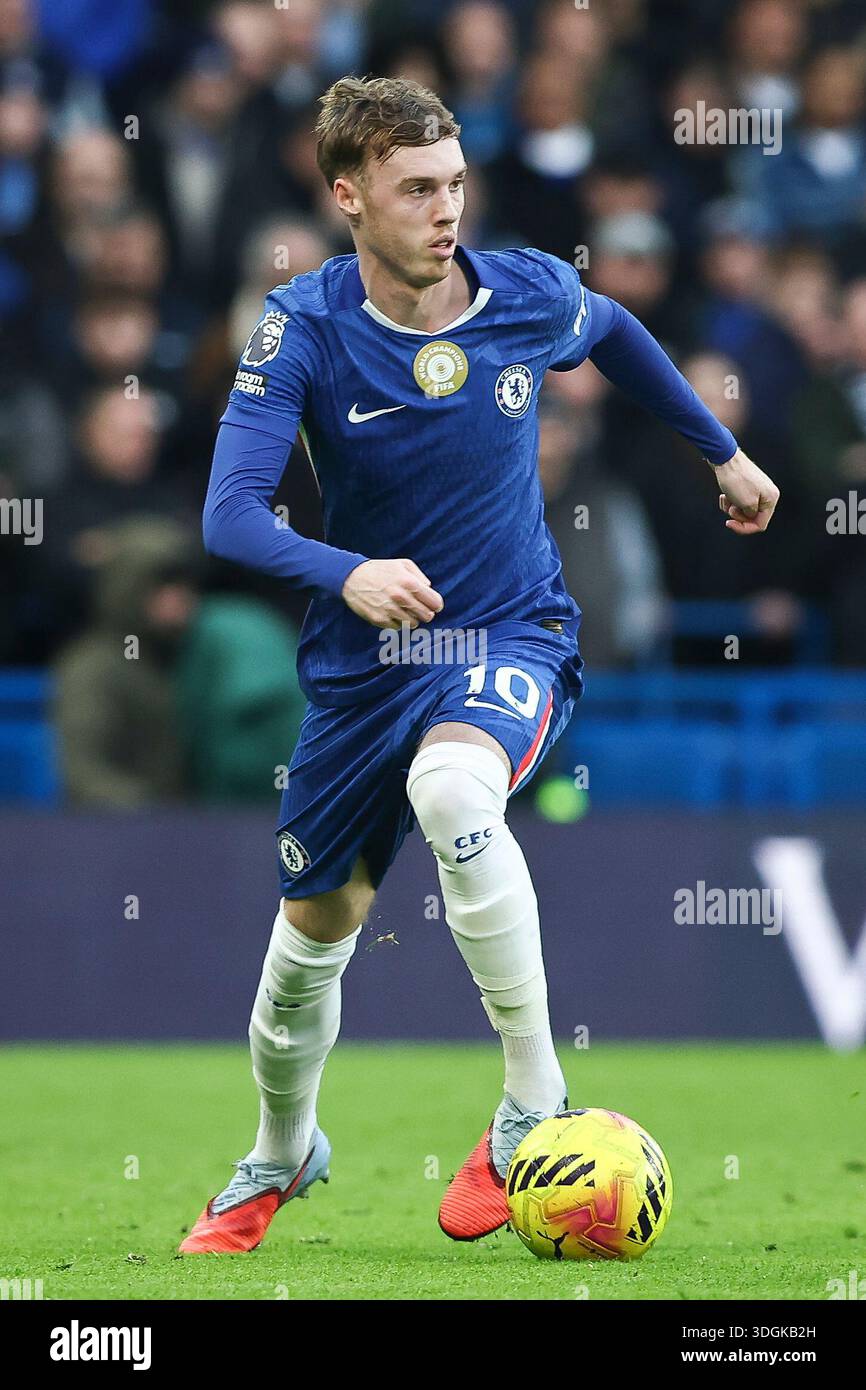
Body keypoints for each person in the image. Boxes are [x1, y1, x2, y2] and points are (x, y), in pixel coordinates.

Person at [180, 75, 779, 1255]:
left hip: (509, 633)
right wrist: (343, 569)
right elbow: (229, 514)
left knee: (453, 789)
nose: (444, 209)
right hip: (363, 670)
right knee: (308, 943)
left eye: (454, 182)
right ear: (348, 196)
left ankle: (528, 1106)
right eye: (414, 190)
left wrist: (722, 451)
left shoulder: (521, 292)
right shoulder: (300, 328)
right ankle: (281, 1150)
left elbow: (610, 328)